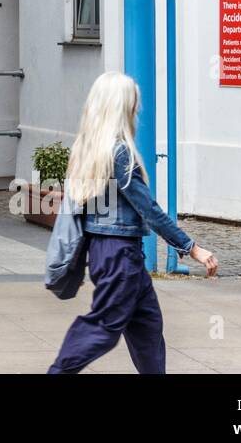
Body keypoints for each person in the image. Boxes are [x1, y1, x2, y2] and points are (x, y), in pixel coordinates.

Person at [48, 71, 219, 374]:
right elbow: (148, 210)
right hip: (119, 255)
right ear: (120, 107)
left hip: (114, 254)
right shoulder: (119, 152)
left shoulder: (89, 149)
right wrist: (192, 248)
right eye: (133, 103)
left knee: (147, 326)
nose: (136, 109)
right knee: (103, 326)